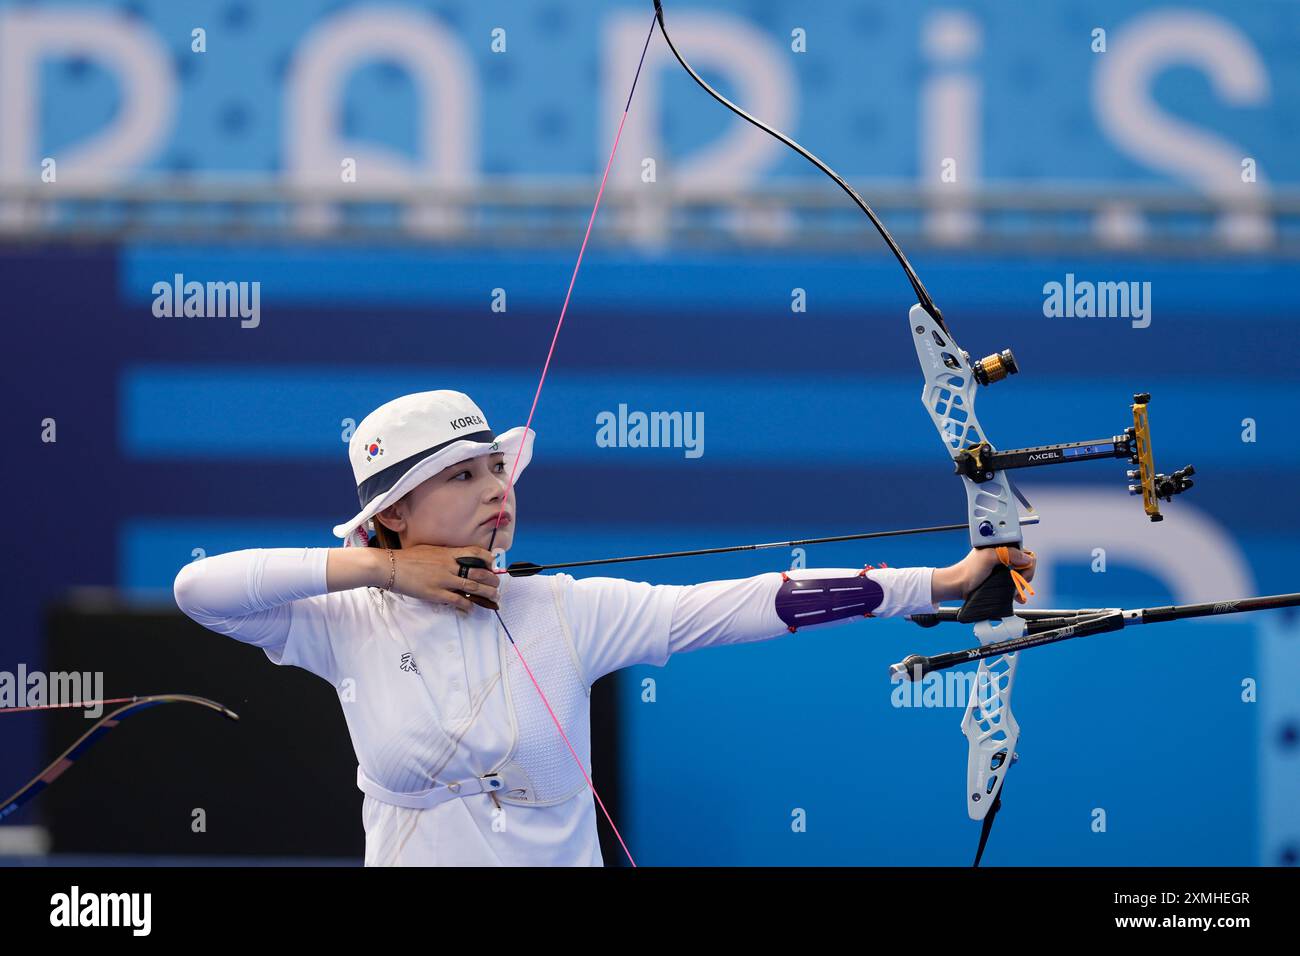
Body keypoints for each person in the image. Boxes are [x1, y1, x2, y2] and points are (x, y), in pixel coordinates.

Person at [173, 389, 1035, 865]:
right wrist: (384, 570)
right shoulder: (344, 621)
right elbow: (197, 588)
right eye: (462, 477)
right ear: (393, 514)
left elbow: (750, 601)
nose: (494, 489)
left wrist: (943, 580)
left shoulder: (566, 612)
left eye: (495, 469)